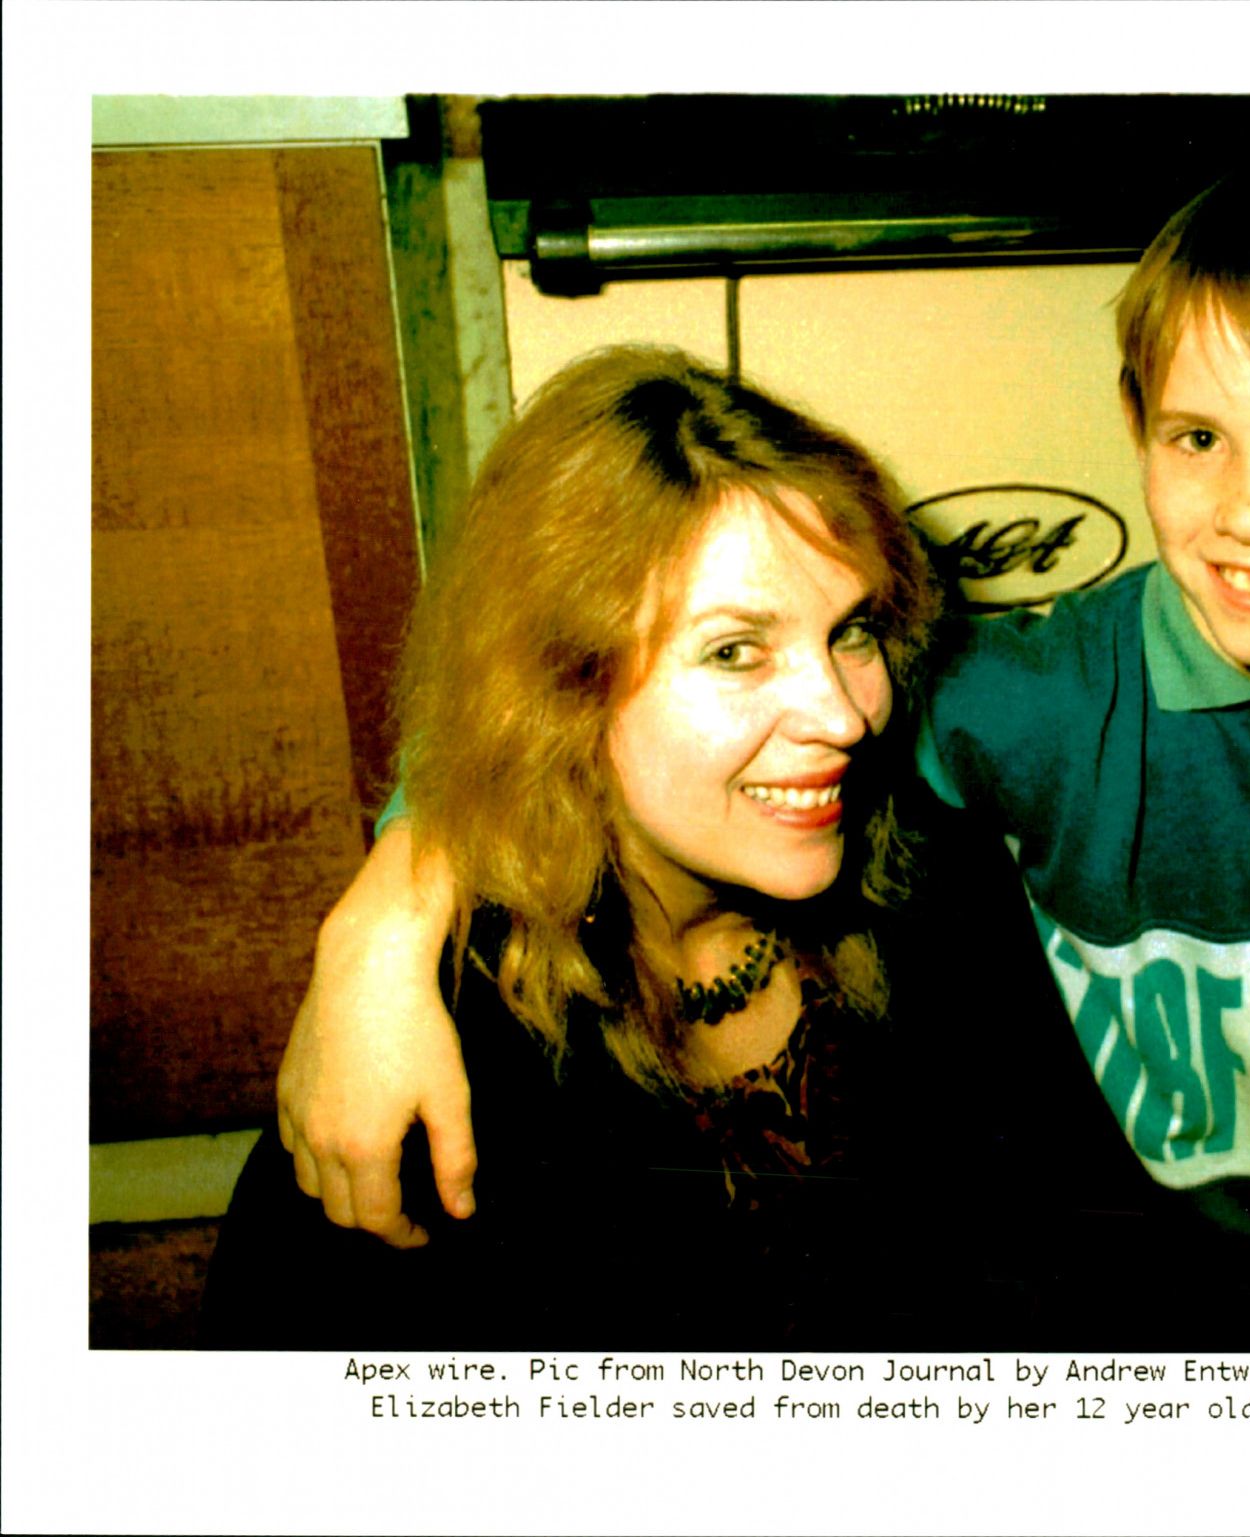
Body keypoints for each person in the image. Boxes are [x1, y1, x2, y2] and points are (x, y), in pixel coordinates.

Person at [270, 155, 1250, 1352]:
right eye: (1200, 436)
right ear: (1136, 430)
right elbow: (567, 717)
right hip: (1141, 1304)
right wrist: (380, 923)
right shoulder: (1032, 698)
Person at [203, 346, 1042, 1348]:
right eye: (736, 651)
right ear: (565, 686)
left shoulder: (940, 891)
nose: (843, 716)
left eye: (850, 632)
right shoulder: (439, 1051)